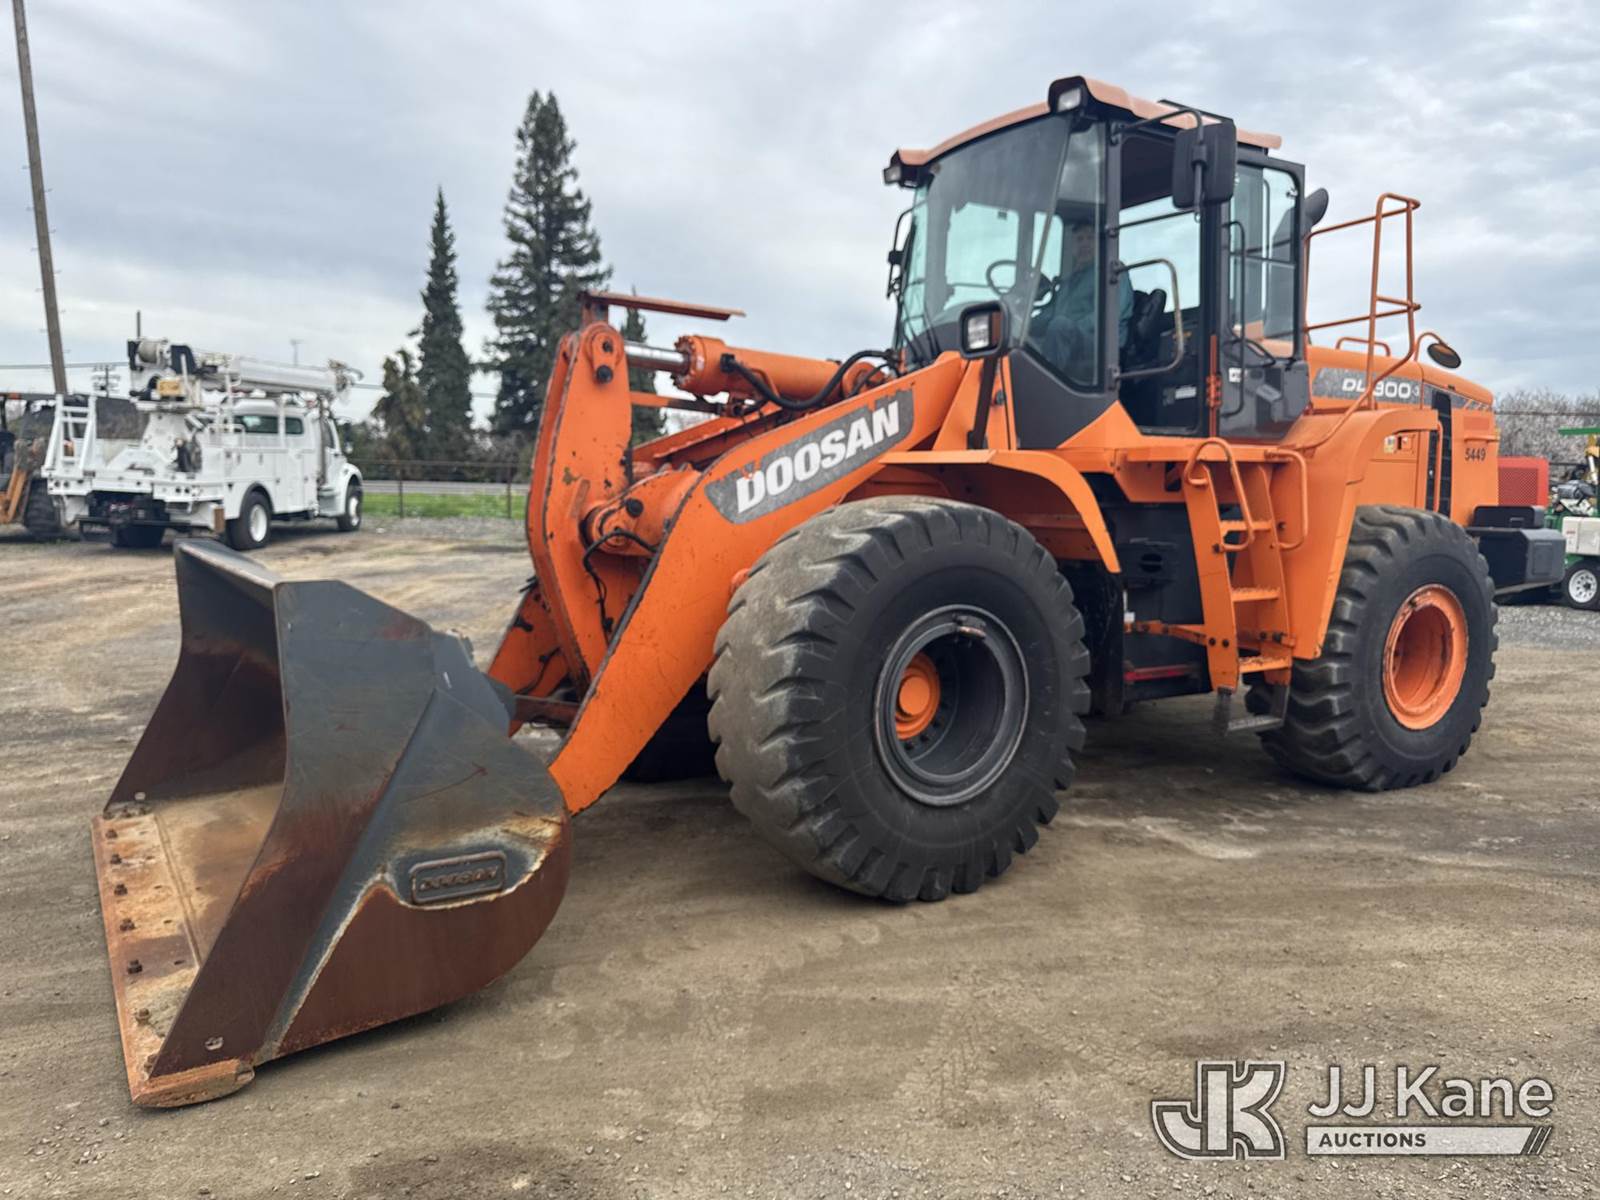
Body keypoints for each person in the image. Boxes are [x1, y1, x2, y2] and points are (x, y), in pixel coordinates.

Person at [1031, 220, 1134, 378]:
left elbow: (1113, 313)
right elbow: (1050, 314)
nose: (1084, 244)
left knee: (1060, 326)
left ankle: (1046, 385)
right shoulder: (1068, 282)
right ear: (1072, 247)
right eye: (1079, 239)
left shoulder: (1113, 271)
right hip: (1069, 337)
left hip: (1102, 343)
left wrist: (1075, 327)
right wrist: (1020, 326)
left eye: (1090, 238)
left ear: (1100, 243)